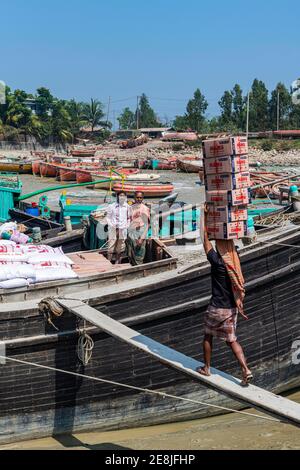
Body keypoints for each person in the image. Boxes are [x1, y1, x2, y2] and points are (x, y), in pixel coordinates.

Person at [197, 203, 253, 386]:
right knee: (232, 340)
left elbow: (205, 239)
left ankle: (206, 368)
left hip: (217, 308)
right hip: (231, 308)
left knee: (207, 336)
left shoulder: (217, 262)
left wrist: (204, 216)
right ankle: (245, 369)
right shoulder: (233, 264)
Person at [106, 191, 131, 264]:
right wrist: (112, 225)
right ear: (117, 196)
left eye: (123, 196)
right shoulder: (112, 206)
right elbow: (108, 217)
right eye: (120, 195)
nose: (122, 197)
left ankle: (117, 263)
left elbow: (129, 218)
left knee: (120, 247)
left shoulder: (127, 207)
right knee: (111, 245)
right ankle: (108, 262)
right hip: (113, 229)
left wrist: (126, 226)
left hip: (123, 229)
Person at [127, 191, 150, 265]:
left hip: (140, 232)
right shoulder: (131, 208)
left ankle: (139, 271)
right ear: (134, 198)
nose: (139, 199)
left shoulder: (144, 209)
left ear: (143, 198)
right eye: (137, 197)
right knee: (130, 254)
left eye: (140, 197)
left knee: (139, 256)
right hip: (132, 232)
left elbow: (147, 224)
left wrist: (142, 238)